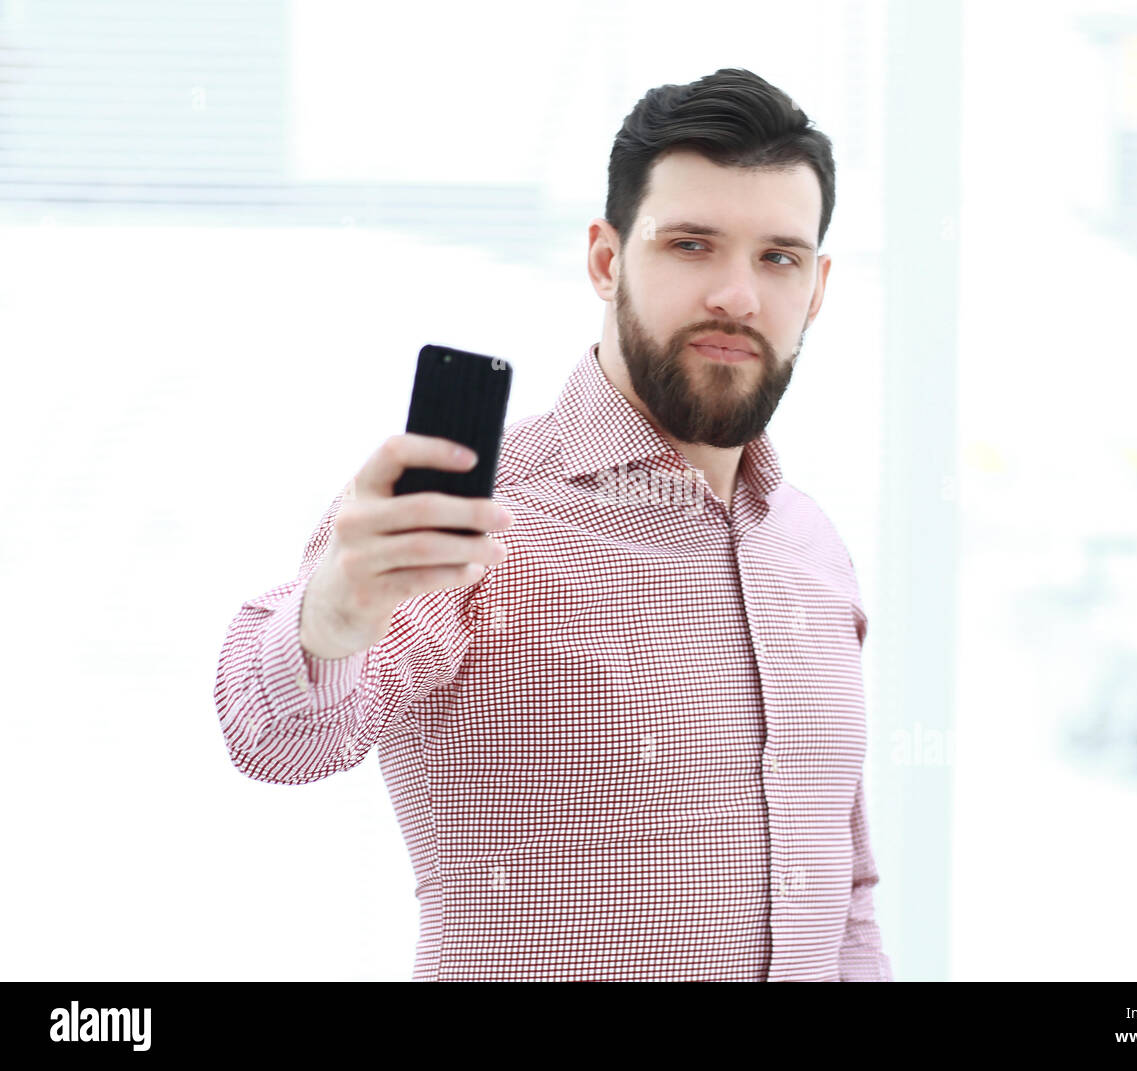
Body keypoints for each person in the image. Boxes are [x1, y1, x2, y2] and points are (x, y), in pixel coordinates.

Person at [213, 67, 892, 982]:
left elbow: (841, 896)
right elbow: (278, 739)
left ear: (816, 287)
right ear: (607, 260)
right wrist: (332, 611)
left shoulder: (812, 546)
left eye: (779, 257)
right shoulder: (481, 516)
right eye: (692, 245)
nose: (738, 294)